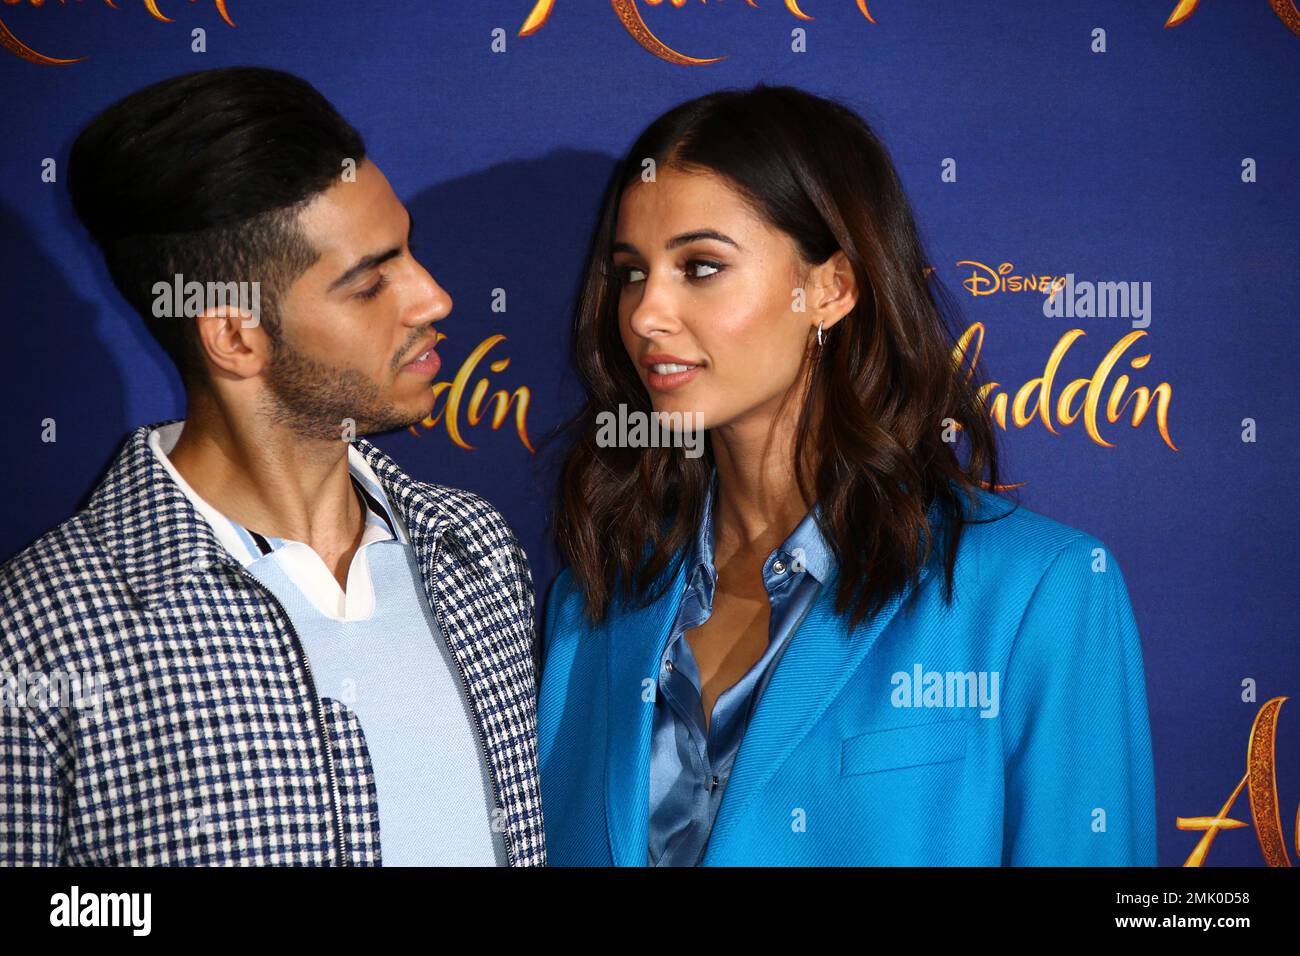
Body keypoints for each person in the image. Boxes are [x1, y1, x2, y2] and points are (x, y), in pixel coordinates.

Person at [537, 85, 1156, 866]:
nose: (644, 314)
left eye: (700, 266)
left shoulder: (1039, 589)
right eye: (631, 273)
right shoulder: (593, 601)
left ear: (830, 289)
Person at [0, 67, 544, 866]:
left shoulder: (477, 552)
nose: (433, 299)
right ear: (235, 337)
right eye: (371, 283)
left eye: (410, 250)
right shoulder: (40, 631)